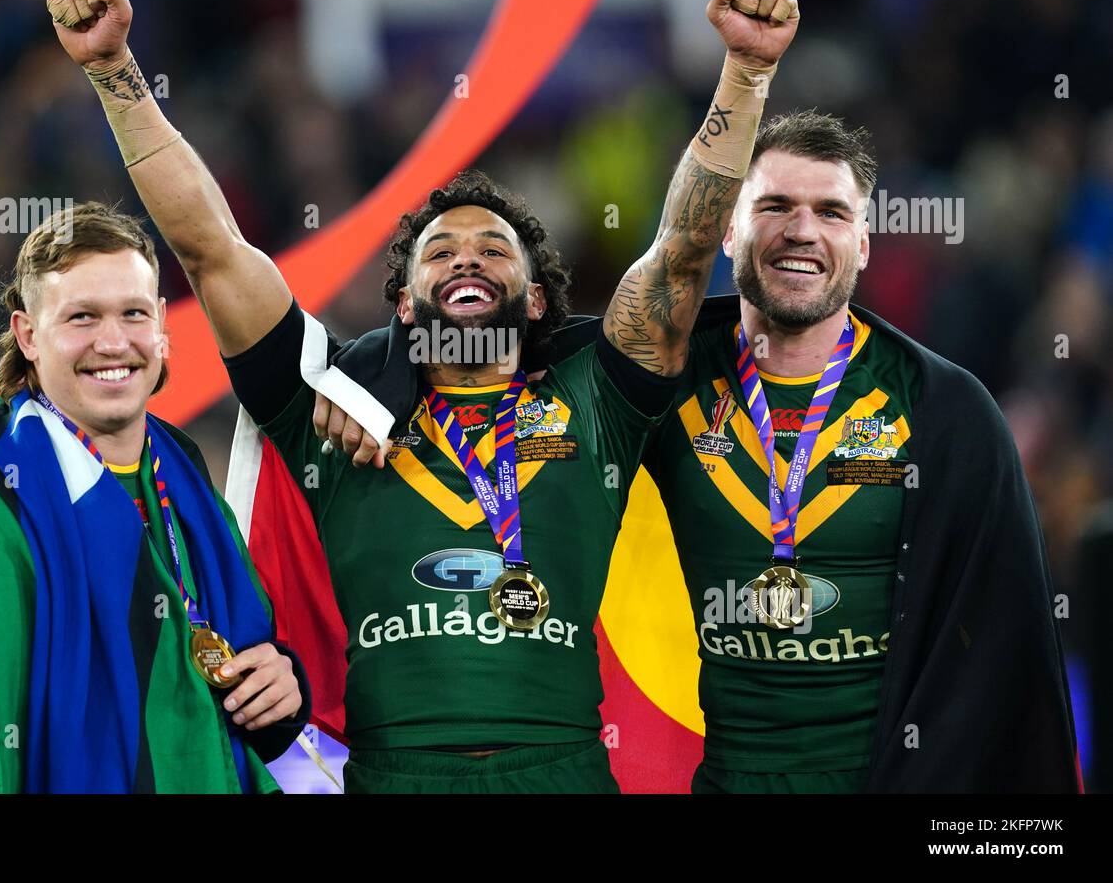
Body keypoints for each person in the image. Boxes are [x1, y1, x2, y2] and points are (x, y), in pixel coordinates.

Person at [47, 0, 798, 792]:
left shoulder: (598, 402)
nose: (467, 257)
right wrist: (115, 71)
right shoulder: (327, 409)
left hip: (564, 774)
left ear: (537, 295)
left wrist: (746, 72)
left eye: (492, 250)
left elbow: (684, 249)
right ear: (405, 303)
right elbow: (211, 248)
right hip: (391, 776)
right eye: (440, 252)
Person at [333, 110, 1081, 793]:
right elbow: (489, 334)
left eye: (830, 212)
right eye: (774, 207)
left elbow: (1007, 655)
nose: (801, 231)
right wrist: (378, 367)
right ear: (727, 233)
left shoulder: (944, 409)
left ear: (862, 240)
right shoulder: (665, 379)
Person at [0, 203, 310, 793]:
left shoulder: (179, 469)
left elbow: (245, 691)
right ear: (28, 336)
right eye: (82, 317)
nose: (113, 342)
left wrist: (283, 688)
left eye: (133, 314)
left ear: (162, 326)